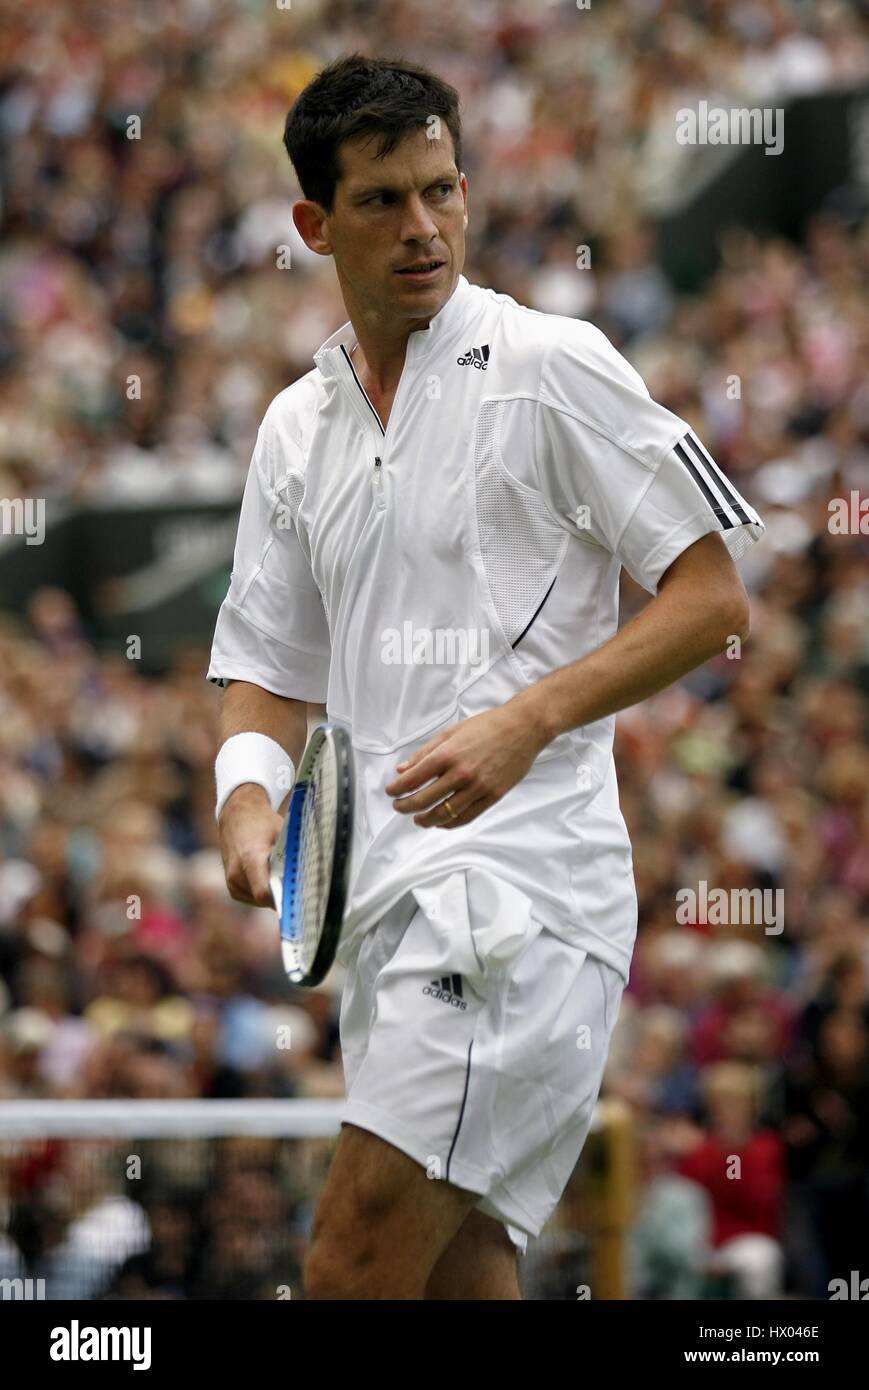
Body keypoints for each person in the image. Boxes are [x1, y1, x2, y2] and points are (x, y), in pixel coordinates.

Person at [207, 54, 764, 1300]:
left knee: (349, 1262)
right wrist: (248, 804)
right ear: (313, 224)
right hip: (383, 913)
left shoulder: (550, 362)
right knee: (460, 1277)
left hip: (523, 900)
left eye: (441, 191)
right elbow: (260, 671)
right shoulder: (293, 428)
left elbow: (711, 597)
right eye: (383, 202)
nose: (423, 228)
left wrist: (530, 718)